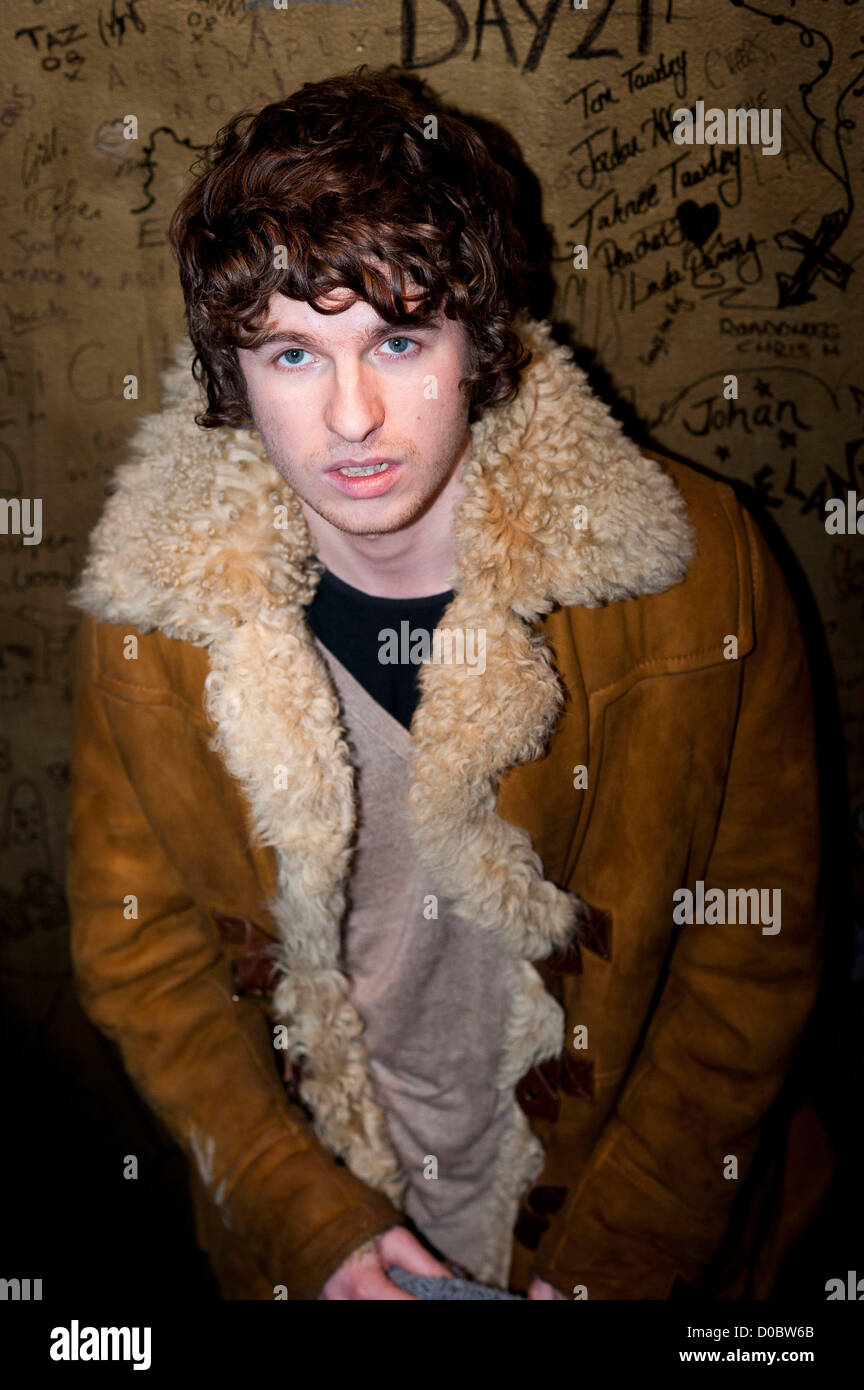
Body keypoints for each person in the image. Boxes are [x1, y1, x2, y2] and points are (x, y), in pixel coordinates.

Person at [65, 68, 834, 1302]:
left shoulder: (700, 571)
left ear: (482, 339)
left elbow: (752, 966)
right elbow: (136, 952)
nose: (353, 417)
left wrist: (622, 1260)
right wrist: (297, 1213)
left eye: (400, 339)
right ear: (231, 370)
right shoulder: (152, 610)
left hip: (644, 1235)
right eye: (291, 352)